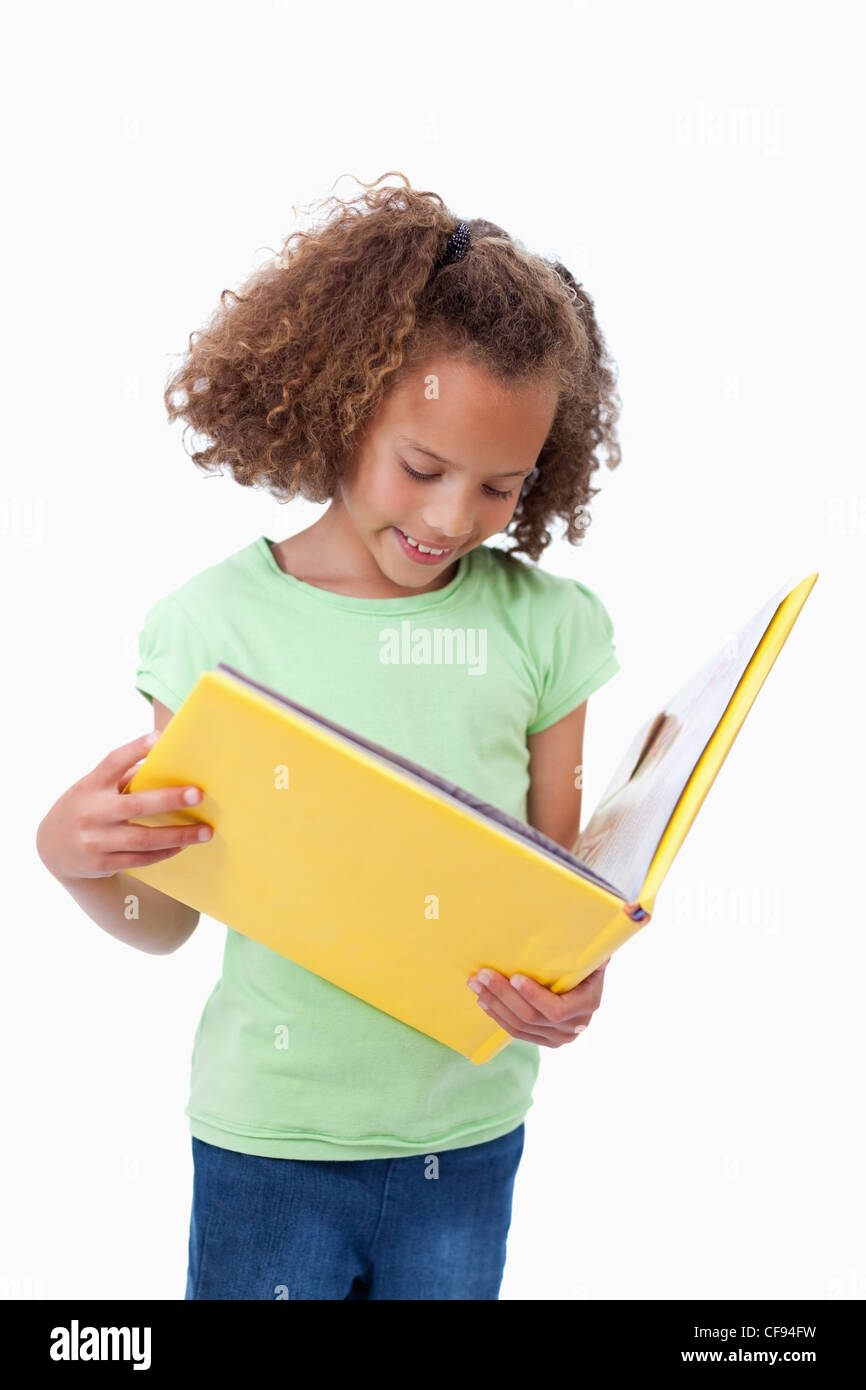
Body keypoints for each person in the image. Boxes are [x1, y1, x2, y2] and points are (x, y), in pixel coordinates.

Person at [35, 171, 636, 1300]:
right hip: (270, 1143)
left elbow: (565, 894)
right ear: (338, 399)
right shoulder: (210, 628)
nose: (451, 519)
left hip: (463, 1140)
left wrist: (577, 978)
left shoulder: (549, 629)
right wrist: (75, 863)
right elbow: (164, 919)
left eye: (500, 487)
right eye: (420, 467)